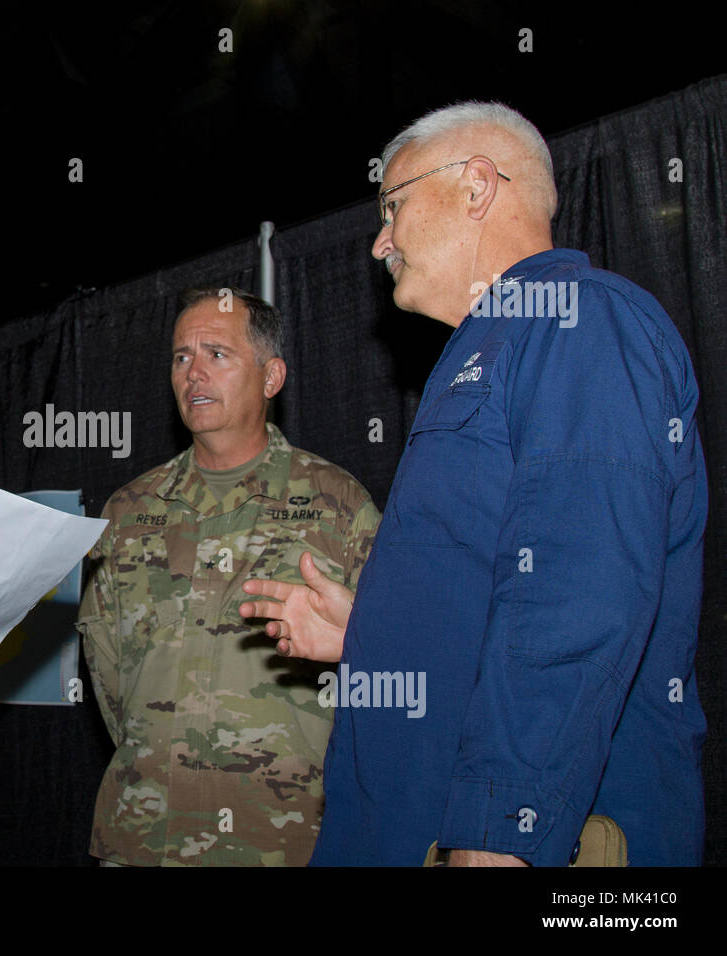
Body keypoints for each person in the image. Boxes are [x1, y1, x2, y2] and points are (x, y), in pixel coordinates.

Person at [242, 101, 708, 866]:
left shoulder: (579, 320)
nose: (379, 241)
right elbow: (497, 594)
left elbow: (578, 594)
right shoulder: (487, 352)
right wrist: (373, 636)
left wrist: (502, 835)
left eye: (392, 205)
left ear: (477, 187)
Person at [77, 287, 381, 866]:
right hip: (146, 839)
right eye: (181, 357)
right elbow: (110, 682)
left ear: (271, 377)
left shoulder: (338, 505)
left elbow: (391, 663)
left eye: (217, 354)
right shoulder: (126, 512)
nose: (194, 373)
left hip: (284, 841)